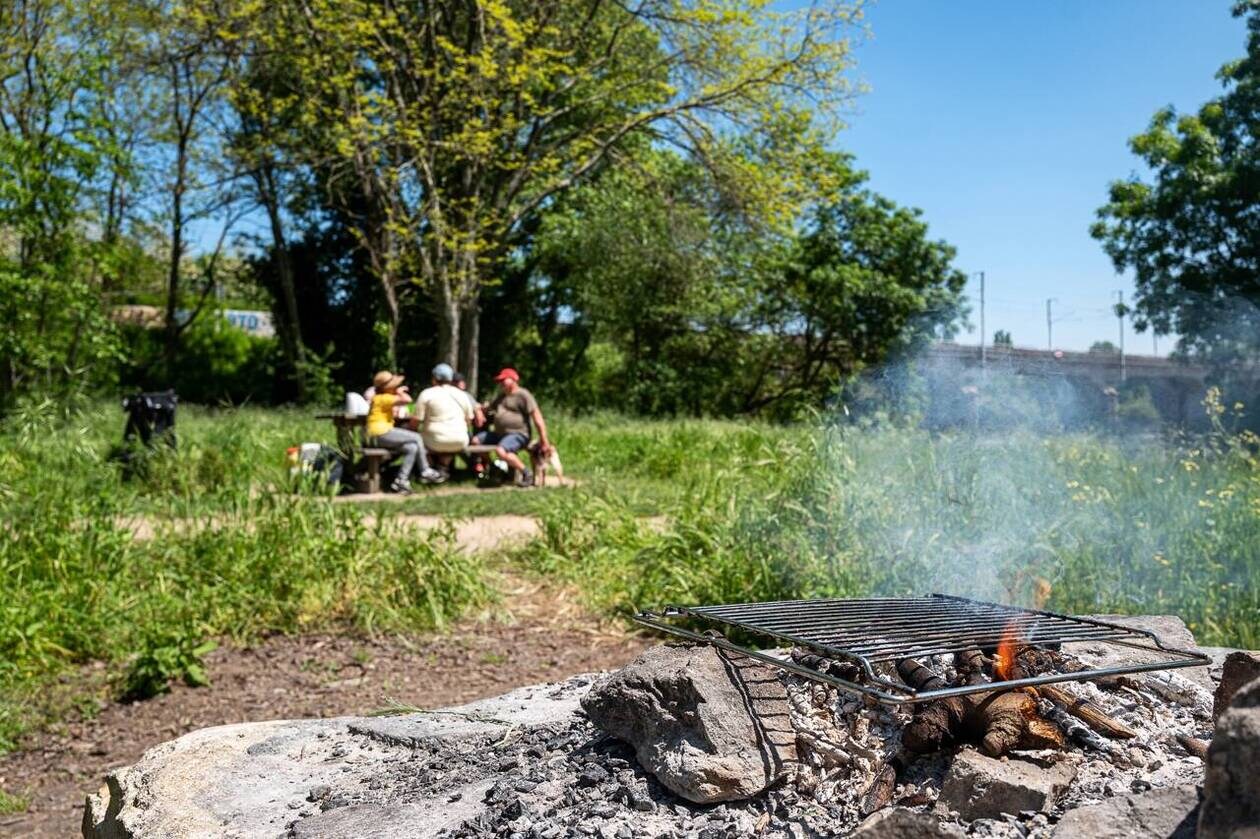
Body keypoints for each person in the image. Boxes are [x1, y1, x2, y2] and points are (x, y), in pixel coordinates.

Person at [473, 367, 552, 487]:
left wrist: (544, 440)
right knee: (476, 441)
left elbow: (537, 417)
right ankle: (495, 468)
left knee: (501, 450)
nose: (501, 383)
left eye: (504, 380)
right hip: (499, 435)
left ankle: (526, 473)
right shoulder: (501, 396)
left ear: (514, 380)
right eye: (500, 381)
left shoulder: (523, 395)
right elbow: (487, 408)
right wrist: (478, 409)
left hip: (519, 434)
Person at [366, 370, 442, 493]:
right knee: (417, 437)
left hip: (377, 434)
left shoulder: (379, 398)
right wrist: (400, 392)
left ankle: (400, 481)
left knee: (411, 447)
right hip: (380, 433)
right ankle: (425, 470)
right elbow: (407, 400)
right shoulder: (384, 398)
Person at [415, 364, 474, 470]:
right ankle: (443, 466)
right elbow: (469, 420)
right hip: (460, 441)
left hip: (434, 441)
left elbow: (416, 421)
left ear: (434, 378)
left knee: (416, 439)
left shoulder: (426, 394)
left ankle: (429, 468)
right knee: (448, 440)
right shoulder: (462, 394)